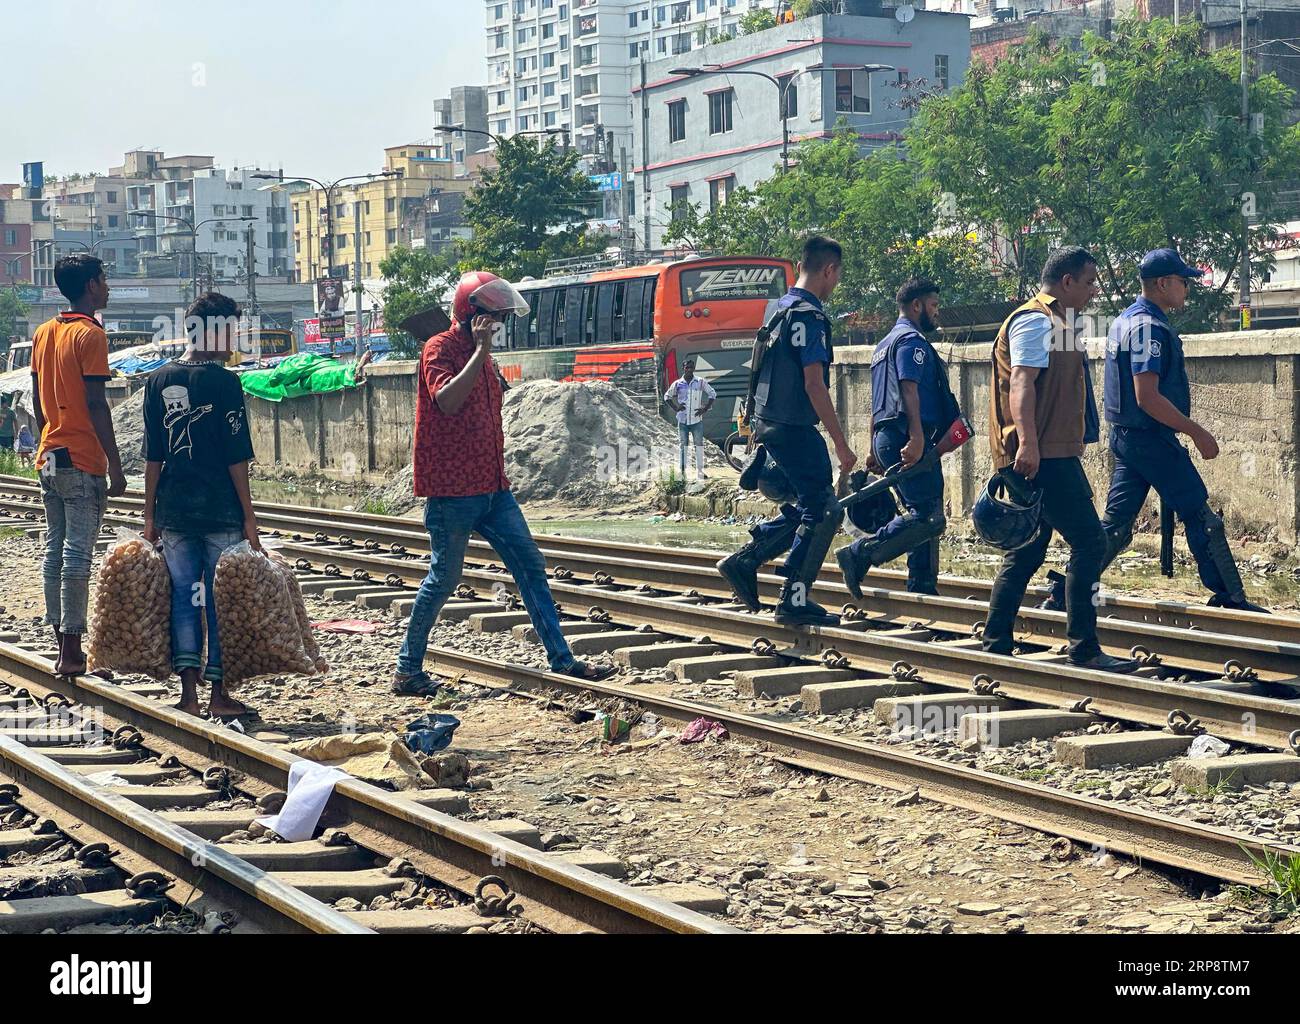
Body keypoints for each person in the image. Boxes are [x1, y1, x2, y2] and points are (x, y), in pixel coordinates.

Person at [392, 270, 616, 694]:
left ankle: (562, 660)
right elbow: (448, 401)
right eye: (494, 318)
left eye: (501, 320)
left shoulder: (486, 355)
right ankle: (407, 669)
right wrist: (479, 352)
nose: (500, 326)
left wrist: (484, 355)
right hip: (452, 490)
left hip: (494, 487)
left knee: (530, 565)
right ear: (472, 314)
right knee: (444, 577)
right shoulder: (439, 348)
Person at [983, 246, 1137, 673]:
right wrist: (1029, 444)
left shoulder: (1058, 322)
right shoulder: (1036, 321)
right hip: (1042, 456)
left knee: (1029, 551)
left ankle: (995, 640)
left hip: (1050, 452)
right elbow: (1022, 383)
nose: (1092, 292)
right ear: (1067, 281)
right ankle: (1083, 647)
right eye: (1089, 283)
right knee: (1090, 542)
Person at [1094, 248, 1266, 613]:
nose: (1186, 288)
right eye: (1181, 281)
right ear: (1161, 283)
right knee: (1200, 515)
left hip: (1128, 439)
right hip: (1150, 439)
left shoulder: (1125, 320)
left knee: (1116, 525)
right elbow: (1147, 397)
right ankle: (1231, 598)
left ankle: (1068, 590)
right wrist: (1196, 432)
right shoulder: (1147, 328)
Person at [716, 235, 856, 627]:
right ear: (829, 270)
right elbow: (815, 385)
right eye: (838, 275)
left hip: (768, 424)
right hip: (794, 427)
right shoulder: (810, 317)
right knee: (825, 510)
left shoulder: (777, 309)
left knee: (808, 506)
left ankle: (745, 561)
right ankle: (794, 597)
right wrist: (841, 444)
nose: (836, 283)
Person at [141, 292, 262, 718]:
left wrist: (150, 516)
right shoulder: (225, 383)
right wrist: (249, 517)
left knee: (183, 599)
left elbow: (153, 456)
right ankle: (218, 694)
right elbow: (236, 456)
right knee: (218, 602)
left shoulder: (156, 381)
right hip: (219, 511)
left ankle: (188, 697)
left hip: (174, 512)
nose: (234, 337)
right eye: (230, 328)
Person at [31, 254, 127, 676]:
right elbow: (95, 403)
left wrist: (48, 434)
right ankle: (72, 651)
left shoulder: (44, 332)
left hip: (49, 454)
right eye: (104, 279)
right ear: (90, 285)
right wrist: (115, 464)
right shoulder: (90, 335)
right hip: (81, 458)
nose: (107, 287)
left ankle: (61, 643)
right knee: (77, 554)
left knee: (54, 547)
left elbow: (36, 398)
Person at [836, 278, 950, 598]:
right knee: (928, 517)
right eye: (933, 306)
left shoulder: (884, 343)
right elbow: (907, 390)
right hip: (906, 435)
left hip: (888, 436)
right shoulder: (911, 341)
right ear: (917, 306)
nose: (936, 312)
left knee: (923, 511)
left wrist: (874, 445)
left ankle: (923, 586)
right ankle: (859, 553)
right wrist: (915, 437)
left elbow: (877, 401)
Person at [664, 357, 715, 481]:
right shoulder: (677, 384)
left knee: (699, 445)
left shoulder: (700, 382)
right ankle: (682, 473)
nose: (689, 370)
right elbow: (667, 396)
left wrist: (705, 408)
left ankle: (700, 472)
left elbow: (712, 394)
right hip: (683, 421)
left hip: (696, 421)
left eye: (691, 367)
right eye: (687, 367)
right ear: (683, 368)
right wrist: (676, 408)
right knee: (683, 446)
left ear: (694, 368)